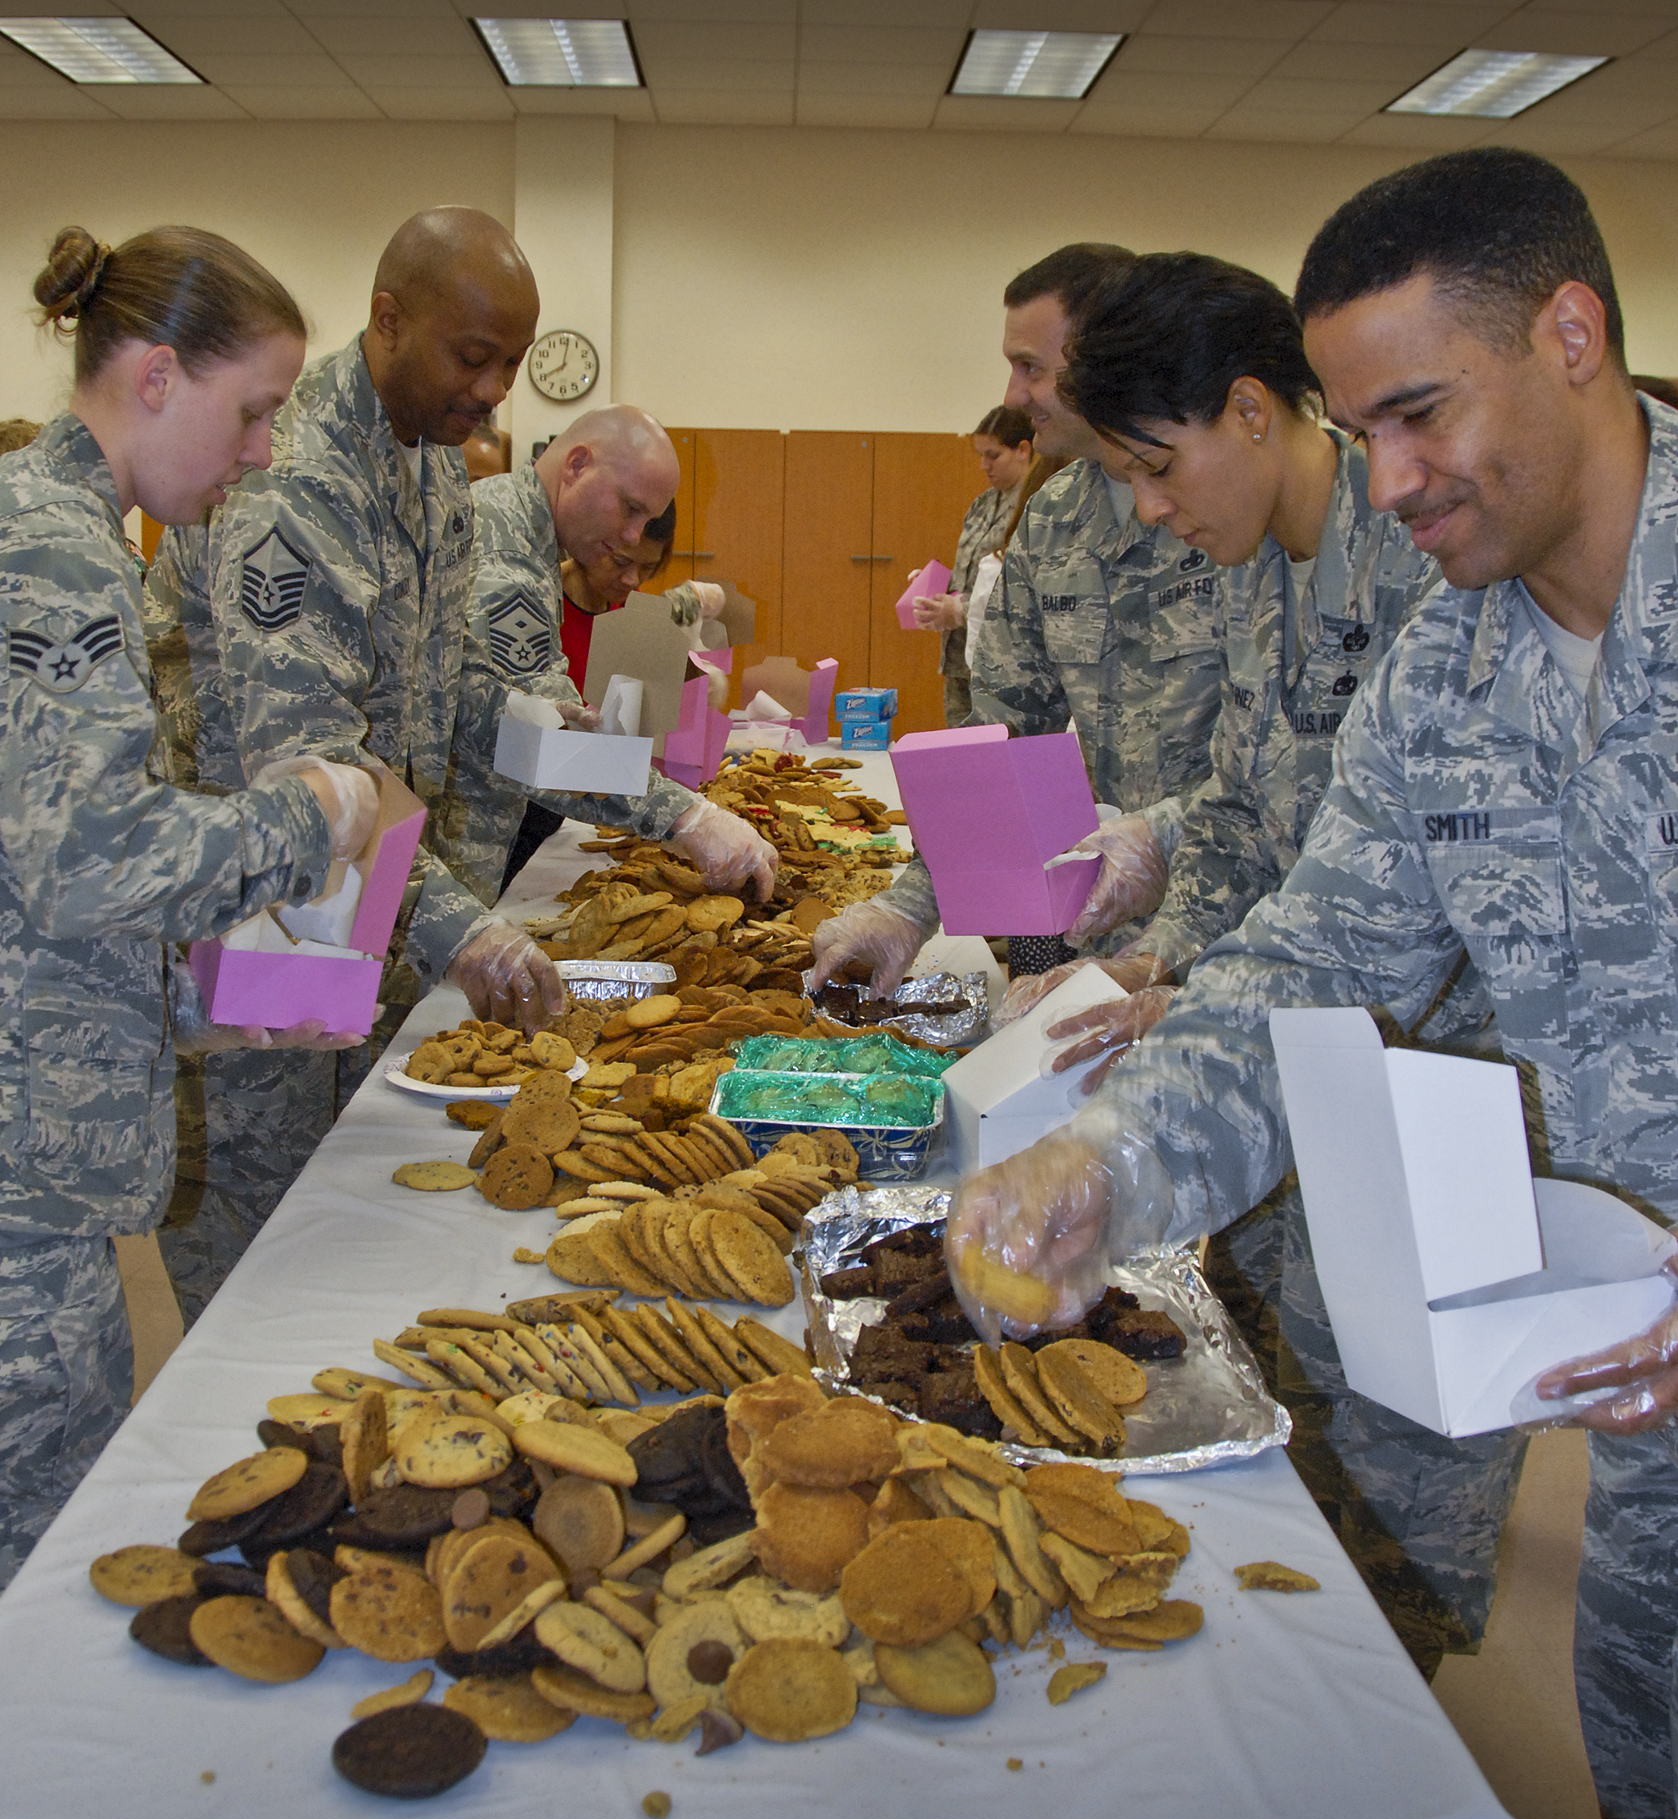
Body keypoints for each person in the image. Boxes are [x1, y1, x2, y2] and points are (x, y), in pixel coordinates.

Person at [943, 147, 1678, 1819]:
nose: (1392, 479)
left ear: (1571, 334)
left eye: (1419, 413)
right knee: (1645, 1816)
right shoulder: (1449, 657)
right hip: (1639, 1421)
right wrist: (1105, 1165)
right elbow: (1308, 964)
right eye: (1362, 431)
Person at [1010, 251, 1517, 1673]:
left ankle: (1398, 1744)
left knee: (1404, 1494)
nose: (1147, 507)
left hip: (1434, 1096)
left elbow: (1428, 897)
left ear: (1249, 411)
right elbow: (1246, 812)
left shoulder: (1423, 559)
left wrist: (1203, 997)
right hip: (1290, 1061)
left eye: (1154, 466)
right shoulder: (1252, 571)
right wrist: (1163, 958)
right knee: (1286, 1435)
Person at [0, 224, 379, 1587]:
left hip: (42, 1141)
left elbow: (32, 900)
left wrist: (209, 1002)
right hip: (24, 1192)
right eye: (254, 411)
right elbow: (90, 858)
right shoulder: (53, 551)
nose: (264, 452)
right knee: (47, 1567)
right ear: (157, 377)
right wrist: (314, 813)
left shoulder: (62, 530)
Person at [148, 206, 560, 1327]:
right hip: (254, 945)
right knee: (257, 1293)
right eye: (473, 357)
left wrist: (664, 804)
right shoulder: (289, 479)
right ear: (388, 319)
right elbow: (309, 764)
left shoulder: (432, 468)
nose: (493, 392)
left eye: (512, 365)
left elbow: (468, 698)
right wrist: (466, 930)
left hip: (369, 927)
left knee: (362, 1271)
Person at [811, 242, 1222, 996]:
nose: (1014, 392)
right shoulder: (1054, 518)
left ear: (1106, 353)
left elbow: (1296, 775)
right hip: (1100, 938)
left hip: (1243, 945)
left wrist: (1166, 838)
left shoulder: (1230, 502)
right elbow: (1000, 741)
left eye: (1031, 366)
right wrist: (909, 907)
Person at [448, 403, 777, 898]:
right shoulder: (509, 560)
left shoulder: (522, 532)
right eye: (630, 508)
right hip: (453, 851)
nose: (631, 535)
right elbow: (546, 740)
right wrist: (687, 817)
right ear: (577, 465)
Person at [908, 404, 1033, 728]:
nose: (984, 465)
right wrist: (936, 588)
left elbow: (1021, 585)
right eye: (981, 455)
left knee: (995, 749)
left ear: (1023, 450)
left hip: (1003, 662)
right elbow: (973, 576)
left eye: (993, 455)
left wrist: (961, 609)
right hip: (959, 659)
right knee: (958, 746)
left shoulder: (1035, 505)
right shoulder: (982, 503)